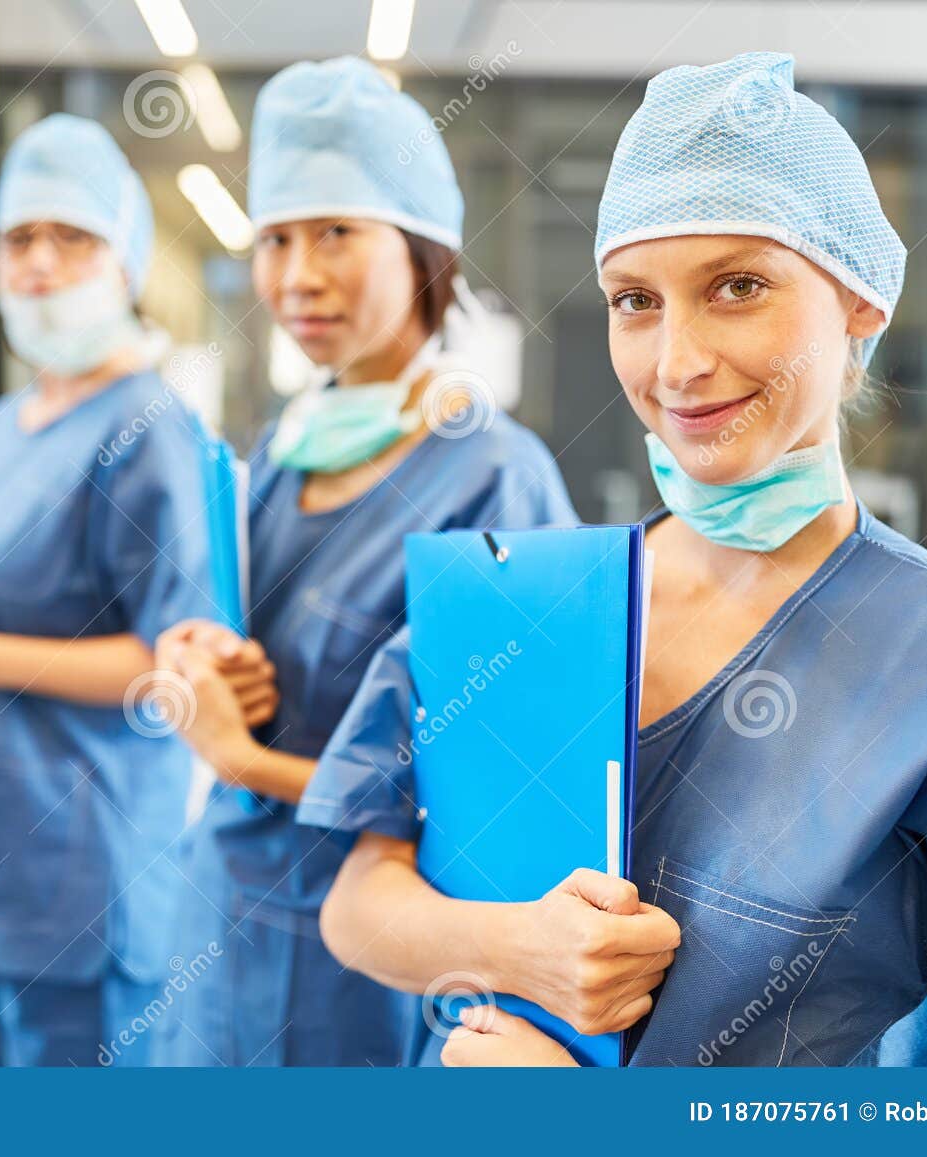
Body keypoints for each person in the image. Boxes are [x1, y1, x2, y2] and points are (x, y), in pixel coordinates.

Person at [301, 51, 927, 1067]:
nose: (676, 361)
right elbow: (358, 896)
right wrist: (515, 949)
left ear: (860, 302)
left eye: (737, 285)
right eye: (634, 299)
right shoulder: (516, 595)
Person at [151, 56, 579, 1067]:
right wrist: (196, 658)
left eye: (337, 231)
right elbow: (232, 635)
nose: (297, 275)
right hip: (226, 914)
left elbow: (501, 796)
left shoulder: (496, 483)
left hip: (375, 960)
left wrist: (245, 758)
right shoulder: (281, 456)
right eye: (278, 238)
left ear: (422, 246)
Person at [0, 114, 217, 1067]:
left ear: (126, 264)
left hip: (77, 872)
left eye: (73, 238)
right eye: (20, 238)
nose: (40, 263)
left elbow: (174, 658)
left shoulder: (149, 429)